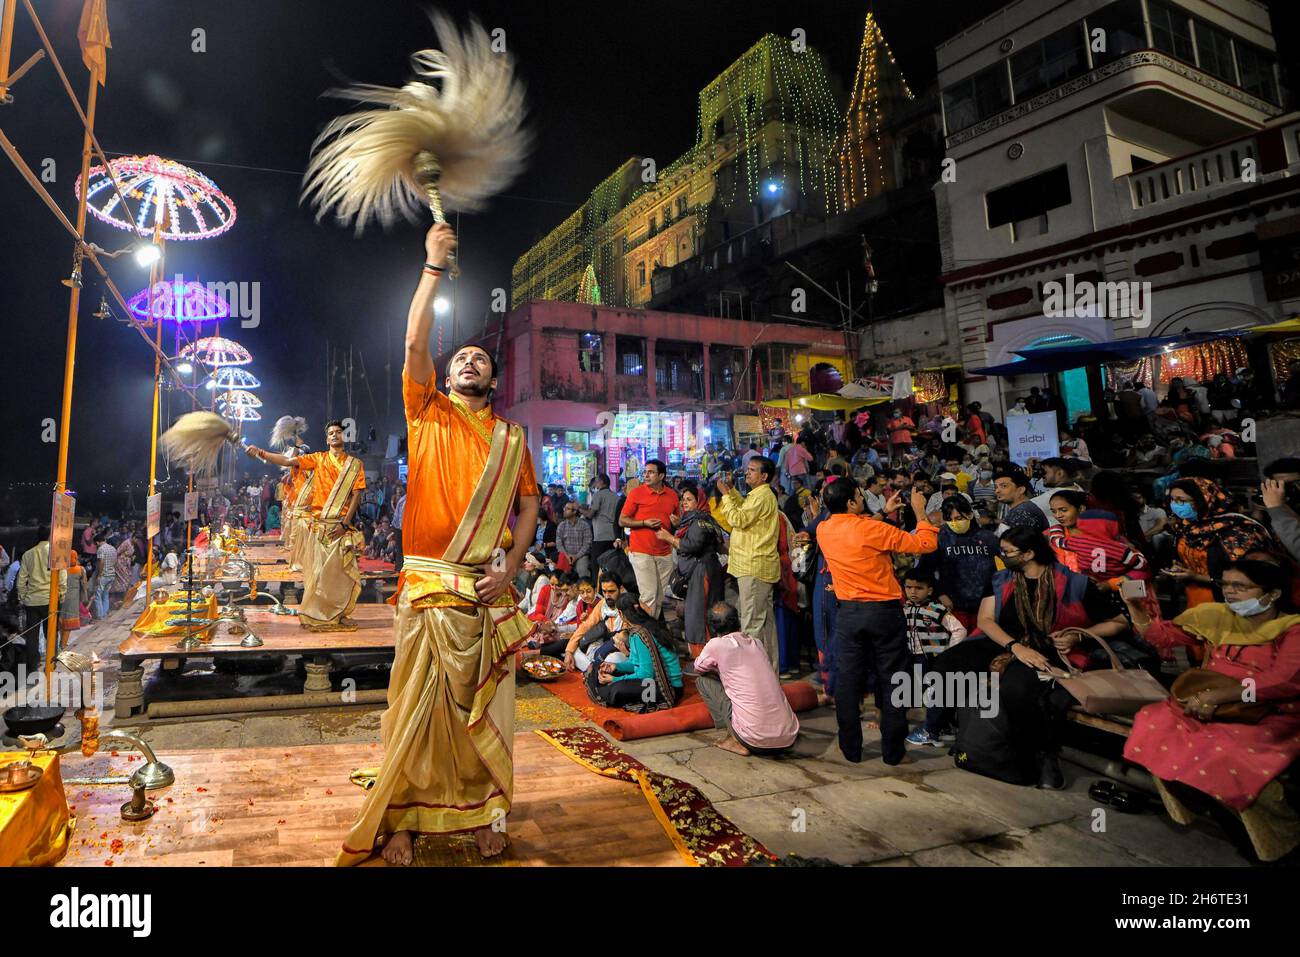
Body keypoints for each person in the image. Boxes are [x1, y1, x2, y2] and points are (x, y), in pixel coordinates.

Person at [337, 224, 540, 866]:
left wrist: (512, 565)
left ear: (494, 377)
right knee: (416, 709)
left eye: (480, 358)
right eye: (461, 359)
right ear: (445, 376)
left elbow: (530, 504)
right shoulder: (425, 411)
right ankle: (401, 816)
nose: (469, 360)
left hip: (484, 588)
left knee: (474, 708)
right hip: (427, 584)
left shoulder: (511, 438)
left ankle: (482, 810)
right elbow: (415, 339)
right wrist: (430, 267)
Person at [1122, 560, 1300, 862]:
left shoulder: (1292, 629)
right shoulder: (1215, 616)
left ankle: (1278, 843)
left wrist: (1221, 696)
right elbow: (1161, 637)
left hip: (1266, 710)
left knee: (1223, 751)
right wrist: (1135, 607)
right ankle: (1202, 806)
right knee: (1153, 720)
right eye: (1226, 585)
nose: (1229, 592)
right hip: (1207, 701)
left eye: (1240, 586)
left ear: (1273, 594)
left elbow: (1283, 681)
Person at [932, 526, 1128, 788]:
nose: (1002, 555)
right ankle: (970, 736)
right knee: (947, 665)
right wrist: (1014, 647)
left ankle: (1040, 754)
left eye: (1008, 551)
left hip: (1051, 649)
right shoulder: (1001, 579)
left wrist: (1078, 636)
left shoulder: (1073, 583)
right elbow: (986, 620)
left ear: (1029, 554)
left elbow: (1118, 623)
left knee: (1018, 690)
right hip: (1007, 642)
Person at [816, 478, 937, 764]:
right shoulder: (873, 529)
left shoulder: (824, 528)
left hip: (848, 613)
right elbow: (924, 543)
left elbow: (856, 530)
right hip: (883, 613)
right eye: (859, 495)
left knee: (848, 680)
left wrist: (883, 512)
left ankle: (851, 749)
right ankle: (893, 752)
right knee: (893, 678)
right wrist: (920, 512)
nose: (862, 499)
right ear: (850, 502)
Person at [248, 420, 366, 631]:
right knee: (319, 575)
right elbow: (287, 460)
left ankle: (339, 613)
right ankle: (319, 614)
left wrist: (345, 524)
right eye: (330, 432)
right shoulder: (318, 459)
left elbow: (357, 495)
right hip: (320, 527)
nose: (334, 435)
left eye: (338, 432)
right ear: (326, 438)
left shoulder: (355, 464)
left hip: (340, 528)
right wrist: (261, 453)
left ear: (343, 436)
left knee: (342, 576)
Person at [694, 602, 800, 755]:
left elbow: (698, 667)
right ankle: (738, 733)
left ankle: (732, 738)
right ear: (738, 621)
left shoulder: (716, 645)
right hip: (789, 736)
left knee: (704, 680)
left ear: (712, 627)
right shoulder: (756, 643)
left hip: (754, 739)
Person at [1167, 477, 1279, 608]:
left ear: (1204, 499)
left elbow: (1250, 577)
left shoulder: (1237, 531)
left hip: (1231, 602)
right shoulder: (1186, 528)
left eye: (1182, 500)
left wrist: (1196, 577)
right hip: (1194, 600)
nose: (1175, 504)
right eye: (1173, 499)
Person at [715, 456, 781, 670]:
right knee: (765, 623)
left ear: (764, 476)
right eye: (748, 469)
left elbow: (738, 519)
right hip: (756, 565)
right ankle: (769, 671)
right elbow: (744, 510)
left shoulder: (763, 496)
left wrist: (725, 496)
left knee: (752, 623)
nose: (747, 473)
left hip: (754, 565)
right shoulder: (759, 495)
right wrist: (732, 492)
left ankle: (753, 675)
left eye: (752, 470)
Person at [655, 482, 724, 657]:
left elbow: (691, 545)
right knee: (698, 612)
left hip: (702, 572)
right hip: (703, 570)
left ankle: (705, 658)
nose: (684, 503)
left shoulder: (699, 521)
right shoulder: (699, 519)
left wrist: (668, 537)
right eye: (683, 499)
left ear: (699, 501)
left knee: (699, 614)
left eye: (689, 500)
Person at [900, 569, 967, 747]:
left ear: (929, 590)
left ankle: (932, 730)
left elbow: (959, 630)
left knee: (936, 693)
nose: (913, 592)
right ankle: (942, 727)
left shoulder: (937, 609)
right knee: (926, 694)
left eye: (919, 588)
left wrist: (949, 654)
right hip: (912, 659)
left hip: (933, 660)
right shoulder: (904, 609)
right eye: (909, 587)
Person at [588, 593, 683, 709]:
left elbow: (646, 675)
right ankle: (604, 687)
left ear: (621, 614)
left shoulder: (640, 634)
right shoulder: (640, 628)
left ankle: (604, 689)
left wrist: (615, 679)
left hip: (666, 689)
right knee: (596, 666)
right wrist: (615, 667)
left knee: (616, 690)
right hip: (654, 680)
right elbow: (636, 663)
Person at [918, 495, 1000, 631]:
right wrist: (940, 594)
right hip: (953, 605)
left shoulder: (987, 537)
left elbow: (1002, 569)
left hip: (986, 605)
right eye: (950, 519)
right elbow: (925, 571)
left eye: (959, 518)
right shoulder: (939, 538)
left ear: (970, 515)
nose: (955, 522)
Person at [618, 458, 679, 620]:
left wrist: (676, 523)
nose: (646, 475)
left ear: (661, 476)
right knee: (649, 595)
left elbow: (678, 521)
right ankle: (644, 633)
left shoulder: (672, 495)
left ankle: (652, 631)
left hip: (664, 551)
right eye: (645, 472)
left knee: (659, 596)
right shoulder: (636, 493)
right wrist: (644, 523)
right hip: (641, 551)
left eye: (651, 472)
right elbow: (622, 520)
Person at [1046, 489, 1148, 585]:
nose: (1058, 515)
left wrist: (1111, 584)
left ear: (1081, 508)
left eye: (1063, 510)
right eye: (1054, 511)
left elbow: (1139, 570)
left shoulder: (1108, 538)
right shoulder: (1048, 535)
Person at [16, 531, 66, 681]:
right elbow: (62, 577)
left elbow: (21, 580)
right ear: (50, 536)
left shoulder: (28, 554)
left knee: (32, 637)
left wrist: (23, 597)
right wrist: (61, 595)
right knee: (51, 634)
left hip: (32, 601)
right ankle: (50, 667)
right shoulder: (56, 552)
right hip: (50, 600)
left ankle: (33, 669)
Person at [562, 578, 624, 671]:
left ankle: (592, 669)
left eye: (611, 591)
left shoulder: (627, 605)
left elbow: (625, 637)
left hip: (620, 650)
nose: (607, 595)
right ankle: (593, 668)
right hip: (602, 645)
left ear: (621, 589)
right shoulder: (603, 604)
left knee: (613, 659)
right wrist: (569, 651)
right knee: (573, 651)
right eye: (604, 591)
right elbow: (585, 626)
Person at [1261, 458, 1300, 564]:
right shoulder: (1272, 502)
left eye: (1292, 484)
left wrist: (1279, 508)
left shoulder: (1277, 507)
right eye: (1280, 485)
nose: (1285, 490)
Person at [581, 472, 620, 567]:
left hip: (600, 535)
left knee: (597, 564)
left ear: (601, 482)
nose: (595, 484)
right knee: (611, 564)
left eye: (596, 481)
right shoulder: (616, 496)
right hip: (614, 535)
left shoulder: (598, 495)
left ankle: (597, 581)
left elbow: (590, 515)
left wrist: (578, 509)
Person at [994, 468, 1048, 535]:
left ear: (1021, 490)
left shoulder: (1022, 512)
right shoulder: (1023, 508)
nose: (997, 491)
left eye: (1004, 486)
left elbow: (1018, 543)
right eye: (996, 487)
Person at [1029, 457, 1085, 522]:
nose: (1042, 475)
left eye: (1044, 472)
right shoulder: (1077, 487)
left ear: (1060, 473)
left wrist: (1022, 481)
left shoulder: (1054, 495)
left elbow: (1022, 508)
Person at [555, 502, 593, 579]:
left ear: (574, 511)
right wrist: (567, 555)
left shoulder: (584, 525)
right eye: (564, 508)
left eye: (567, 509)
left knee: (582, 571)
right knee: (561, 576)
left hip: (581, 556)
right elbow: (559, 544)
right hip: (566, 555)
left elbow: (587, 544)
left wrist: (576, 556)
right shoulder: (562, 525)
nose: (564, 510)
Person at [59, 550, 87, 651]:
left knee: (62, 620)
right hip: (73, 599)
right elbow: (84, 585)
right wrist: (85, 599)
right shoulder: (80, 569)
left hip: (62, 597)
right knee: (69, 622)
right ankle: (63, 644)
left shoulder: (62, 569)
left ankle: (61, 642)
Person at [90, 531, 116, 620]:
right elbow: (115, 561)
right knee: (105, 594)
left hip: (104, 575)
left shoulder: (101, 549)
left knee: (98, 595)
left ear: (97, 542)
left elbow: (101, 562)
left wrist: (99, 575)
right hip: (112, 574)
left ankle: (100, 615)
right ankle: (105, 614)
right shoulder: (113, 548)